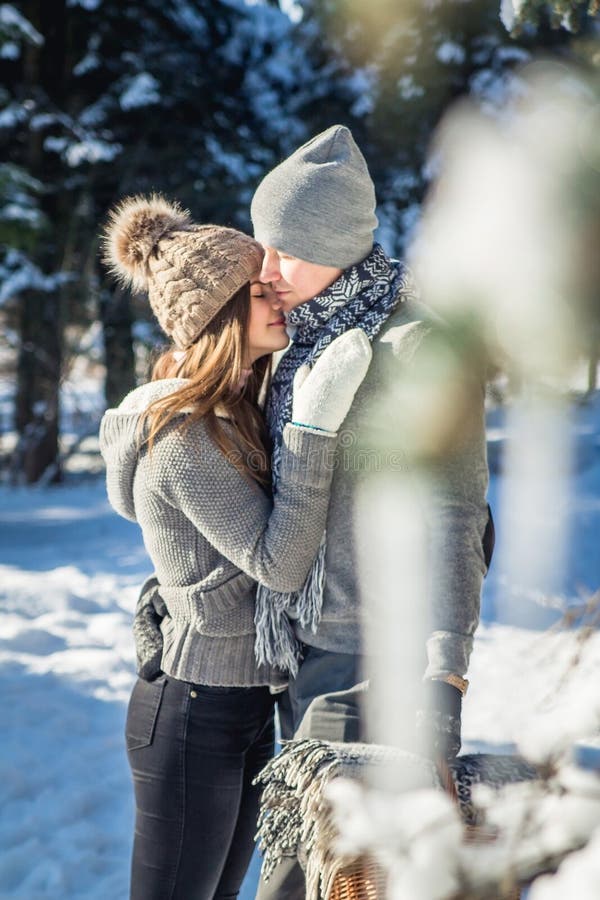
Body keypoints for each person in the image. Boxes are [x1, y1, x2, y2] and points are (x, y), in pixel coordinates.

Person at [98, 194, 372, 900]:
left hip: (242, 702)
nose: (277, 293)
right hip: (193, 712)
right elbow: (277, 563)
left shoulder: (236, 412)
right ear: (218, 314)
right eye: (257, 290)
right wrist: (312, 434)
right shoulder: (188, 440)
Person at [247, 124, 491, 899]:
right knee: (327, 876)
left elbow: (458, 521)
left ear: (342, 244)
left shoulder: (417, 349)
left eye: (288, 248)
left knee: (313, 879)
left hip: (375, 663)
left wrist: (443, 673)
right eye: (264, 246)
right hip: (298, 657)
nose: (269, 269)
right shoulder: (294, 345)